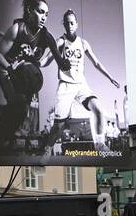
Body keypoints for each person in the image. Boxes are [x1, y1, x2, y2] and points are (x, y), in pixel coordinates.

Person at [39, 10, 121, 148]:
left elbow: (96, 63)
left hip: (81, 85)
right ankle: (47, 149)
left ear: (76, 24)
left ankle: (100, 145)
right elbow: (47, 59)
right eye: (66, 23)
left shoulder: (83, 43)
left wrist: (110, 77)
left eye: (72, 22)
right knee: (58, 126)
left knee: (99, 110)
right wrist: (35, 64)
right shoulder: (60, 42)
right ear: (63, 25)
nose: (69, 25)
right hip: (66, 85)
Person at [0, 0, 59, 147]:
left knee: (26, 110)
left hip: (25, 72)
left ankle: (8, 136)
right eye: (40, 12)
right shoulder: (17, 29)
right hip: (8, 69)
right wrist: (10, 68)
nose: (44, 17)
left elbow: (43, 61)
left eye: (47, 14)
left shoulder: (44, 36)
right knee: (19, 106)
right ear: (29, 10)